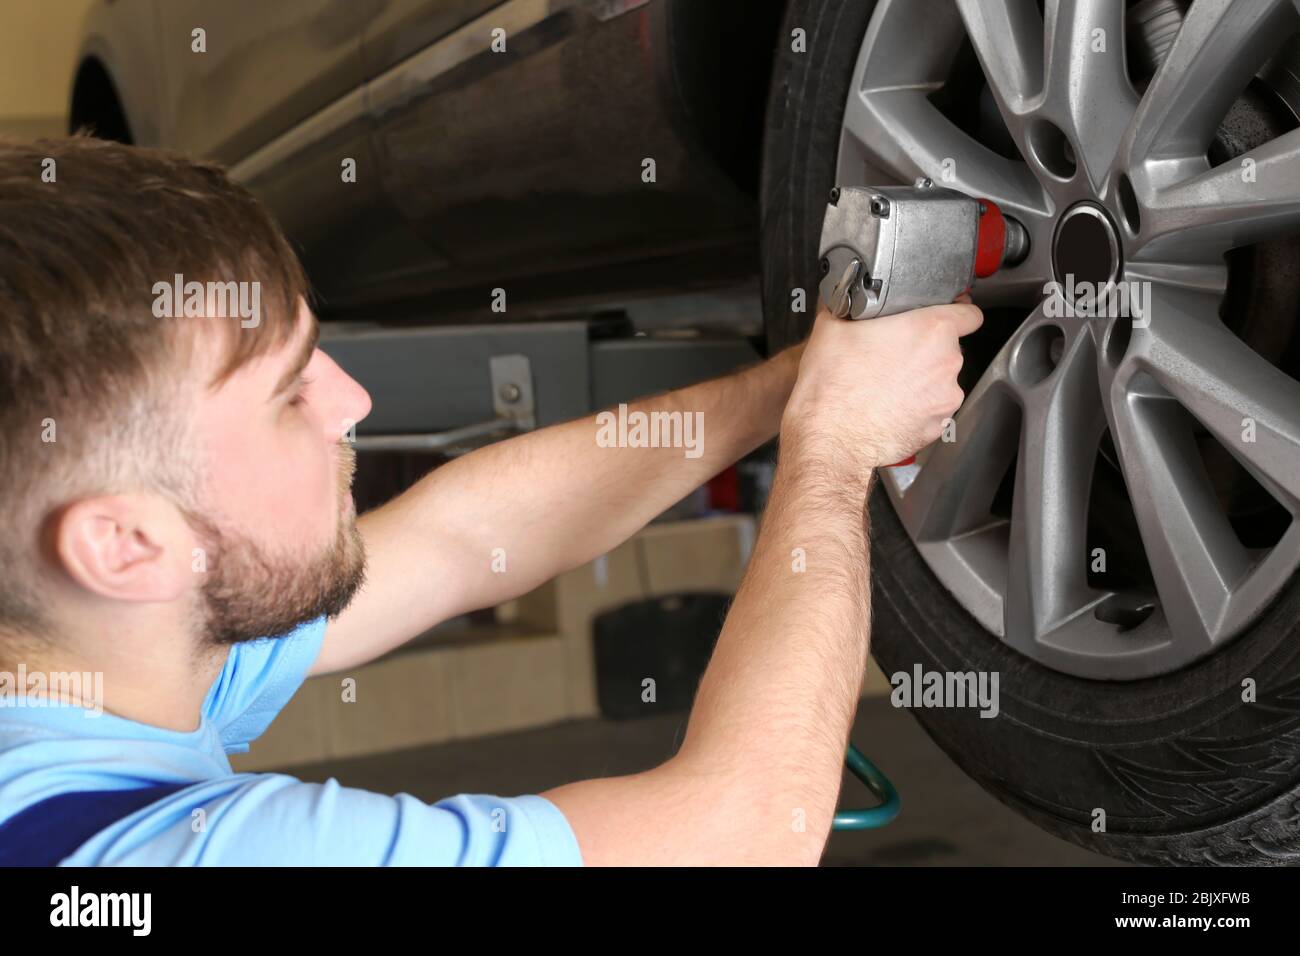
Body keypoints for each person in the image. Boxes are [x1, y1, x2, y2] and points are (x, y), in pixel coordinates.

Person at [0, 136, 979, 865]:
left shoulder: (90, 666)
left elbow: (463, 540)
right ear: (126, 545)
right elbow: (744, 828)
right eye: (290, 390)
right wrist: (836, 445)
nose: (354, 401)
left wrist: (797, 386)